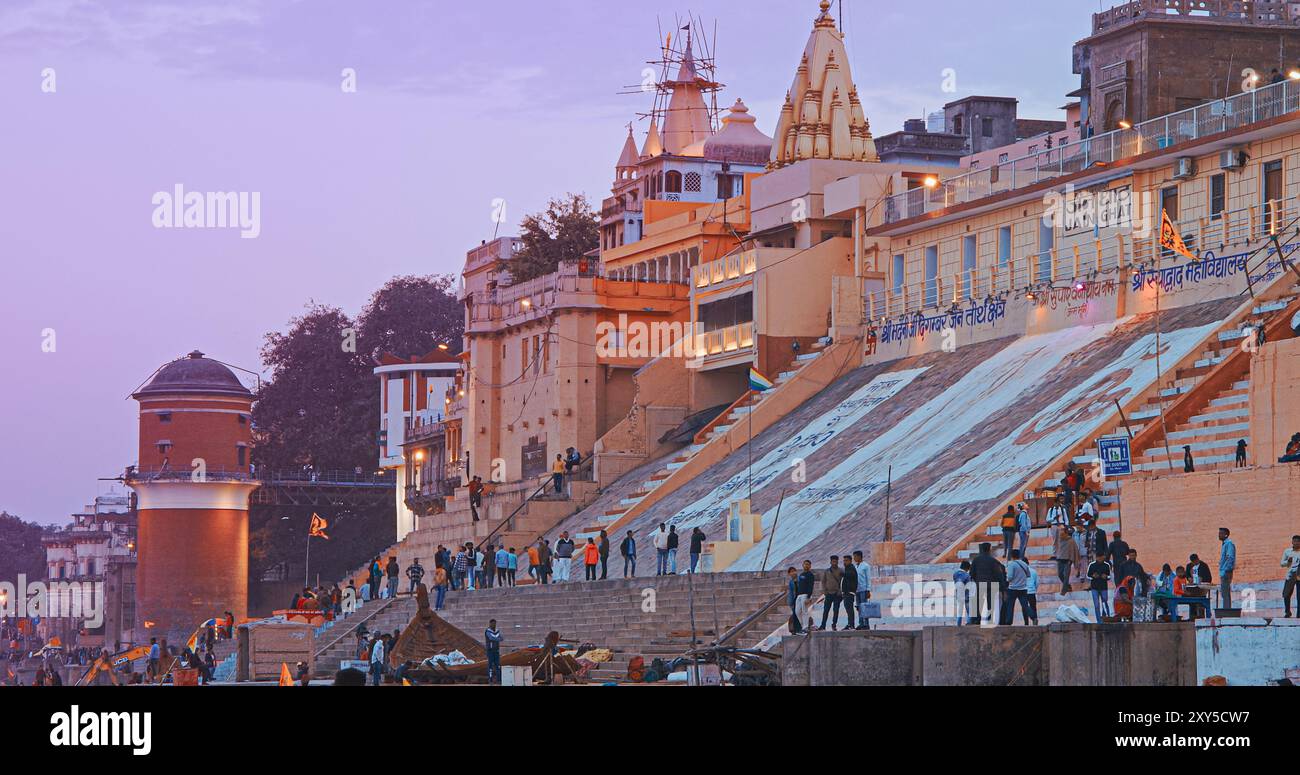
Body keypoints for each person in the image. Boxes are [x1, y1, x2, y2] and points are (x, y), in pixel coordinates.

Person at [969, 543, 1005, 625]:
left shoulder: (976, 560)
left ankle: (977, 620)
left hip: (979, 584)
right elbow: (998, 574)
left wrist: (977, 580)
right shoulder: (993, 561)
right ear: (989, 549)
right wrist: (1002, 587)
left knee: (978, 603)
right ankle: (990, 620)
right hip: (991, 585)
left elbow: (972, 573)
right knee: (990, 604)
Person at [1002, 550, 1031, 625]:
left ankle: (1008, 622)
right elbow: (1028, 575)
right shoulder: (1024, 564)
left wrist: (1007, 578)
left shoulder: (1012, 564)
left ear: (1012, 556)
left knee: (1010, 606)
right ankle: (1033, 617)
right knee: (1025, 606)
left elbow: (1010, 577)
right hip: (1023, 589)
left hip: (1013, 589)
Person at [1052, 526, 1081, 594]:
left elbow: (1075, 551)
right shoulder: (1059, 540)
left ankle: (1064, 590)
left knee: (1066, 575)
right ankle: (1068, 586)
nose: (1061, 534)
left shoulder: (1071, 540)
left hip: (1068, 560)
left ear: (1066, 533)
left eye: (1062, 532)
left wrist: (1074, 562)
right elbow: (1057, 548)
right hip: (1060, 559)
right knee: (1060, 574)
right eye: (1060, 533)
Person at [819, 556, 844, 630]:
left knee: (836, 610)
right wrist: (825, 591)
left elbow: (843, 581)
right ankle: (823, 625)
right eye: (833, 561)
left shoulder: (841, 571)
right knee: (826, 610)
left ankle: (834, 625)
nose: (834, 563)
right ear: (830, 562)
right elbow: (823, 581)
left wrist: (840, 591)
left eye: (836, 561)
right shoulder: (827, 571)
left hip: (837, 594)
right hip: (828, 593)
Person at [1087, 551, 1112, 621]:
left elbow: (1109, 576)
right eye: (1099, 558)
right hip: (1094, 587)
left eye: (1101, 558)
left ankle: (1106, 618)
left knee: (1105, 603)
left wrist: (1106, 577)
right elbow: (1088, 576)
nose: (1100, 559)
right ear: (1096, 558)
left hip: (1104, 587)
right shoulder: (1092, 565)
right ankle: (1099, 620)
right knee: (1096, 605)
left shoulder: (1106, 565)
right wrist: (1093, 576)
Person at [852, 550, 873, 630]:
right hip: (857, 590)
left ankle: (866, 624)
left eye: (855, 556)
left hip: (864, 589)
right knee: (859, 607)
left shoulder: (866, 566)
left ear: (859, 556)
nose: (854, 558)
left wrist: (868, 589)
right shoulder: (855, 566)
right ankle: (861, 623)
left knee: (864, 607)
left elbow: (868, 578)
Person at [1281, 535, 1300, 618]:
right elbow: (1281, 564)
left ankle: (1299, 614)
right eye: (1294, 541)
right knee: (1286, 594)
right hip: (1290, 575)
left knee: (1299, 596)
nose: (1296, 543)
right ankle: (1287, 612)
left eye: (1298, 541)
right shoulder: (1287, 552)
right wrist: (1287, 562)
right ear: (1292, 542)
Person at [796, 560, 817, 632]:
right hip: (799, 595)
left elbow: (811, 586)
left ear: (810, 566)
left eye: (808, 564)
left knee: (805, 611)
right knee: (797, 612)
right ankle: (803, 625)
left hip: (805, 595)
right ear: (802, 565)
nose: (806, 566)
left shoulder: (810, 575)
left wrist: (808, 597)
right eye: (805, 564)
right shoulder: (801, 574)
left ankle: (805, 627)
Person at [1219, 527, 1236, 609]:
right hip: (1223, 571)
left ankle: (1227, 609)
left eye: (1221, 533)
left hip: (1226, 571)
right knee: (1224, 591)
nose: (1219, 535)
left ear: (1226, 535)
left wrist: (1227, 570)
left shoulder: (1229, 543)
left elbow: (1230, 557)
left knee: (1225, 591)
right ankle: (1226, 608)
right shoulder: (1225, 544)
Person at [952, 561, 973, 626]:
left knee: (960, 611)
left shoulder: (955, 574)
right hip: (966, 595)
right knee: (969, 611)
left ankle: (958, 624)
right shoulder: (967, 575)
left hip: (959, 595)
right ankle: (968, 623)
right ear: (967, 568)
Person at [841, 555, 858, 630]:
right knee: (848, 609)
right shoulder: (847, 568)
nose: (845, 562)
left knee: (849, 609)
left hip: (849, 592)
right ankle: (849, 624)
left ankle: (851, 625)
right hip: (846, 592)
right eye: (844, 561)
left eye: (846, 560)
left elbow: (851, 575)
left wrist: (842, 574)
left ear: (850, 561)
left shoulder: (851, 568)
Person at [786, 567, 804, 634]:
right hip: (795, 600)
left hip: (802, 598)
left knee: (800, 614)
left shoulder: (801, 579)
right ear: (789, 574)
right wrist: (790, 603)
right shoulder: (791, 582)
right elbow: (791, 593)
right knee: (795, 615)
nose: (793, 573)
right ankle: (796, 630)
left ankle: (801, 629)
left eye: (794, 571)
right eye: (791, 572)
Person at [484, 620, 502, 684]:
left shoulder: (497, 631)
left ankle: (499, 680)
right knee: (490, 666)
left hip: (496, 651)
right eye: (492, 624)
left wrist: (495, 638)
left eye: (495, 623)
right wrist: (497, 638)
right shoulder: (487, 631)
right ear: (490, 624)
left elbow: (502, 638)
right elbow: (491, 638)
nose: (493, 625)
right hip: (490, 651)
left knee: (498, 666)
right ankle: (490, 680)